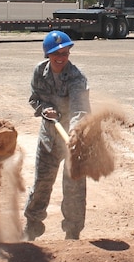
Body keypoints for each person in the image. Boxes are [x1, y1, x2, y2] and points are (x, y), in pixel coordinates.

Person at [23, 31, 90, 241]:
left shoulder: (77, 77)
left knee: (74, 187)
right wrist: (44, 109)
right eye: (56, 54)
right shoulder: (39, 72)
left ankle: (72, 232)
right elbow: (34, 98)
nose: (60, 57)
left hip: (73, 141)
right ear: (47, 54)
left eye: (64, 53)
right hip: (49, 139)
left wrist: (74, 132)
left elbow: (80, 109)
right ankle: (32, 226)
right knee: (41, 183)